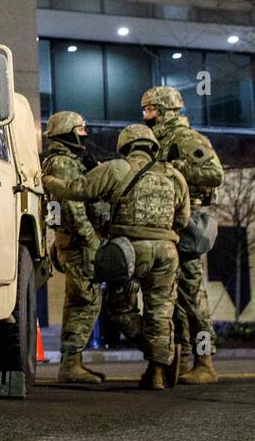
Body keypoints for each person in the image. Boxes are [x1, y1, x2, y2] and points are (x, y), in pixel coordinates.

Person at [43, 124, 189, 391]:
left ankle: (158, 352)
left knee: (119, 307)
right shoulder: (175, 175)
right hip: (167, 252)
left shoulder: (115, 168)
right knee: (160, 312)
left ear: (125, 146)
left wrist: (49, 182)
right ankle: (158, 370)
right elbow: (183, 218)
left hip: (128, 251)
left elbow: (78, 190)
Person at [141, 85, 225, 385]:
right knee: (172, 298)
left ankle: (206, 361)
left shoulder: (186, 138)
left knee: (192, 296)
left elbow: (215, 174)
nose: (146, 115)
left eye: (150, 109)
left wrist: (176, 168)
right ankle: (183, 359)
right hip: (168, 223)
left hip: (187, 223)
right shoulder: (158, 139)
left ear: (163, 110)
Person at [41, 111, 105, 385]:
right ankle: (71, 364)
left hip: (74, 241)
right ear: (68, 132)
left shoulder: (65, 161)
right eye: (80, 129)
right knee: (84, 301)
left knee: (82, 300)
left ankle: (72, 362)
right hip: (80, 243)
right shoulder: (64, 164)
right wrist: (92, 239)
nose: (85, 135)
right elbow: (71, 207)